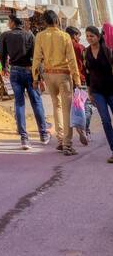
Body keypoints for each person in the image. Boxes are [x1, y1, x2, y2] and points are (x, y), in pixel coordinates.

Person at [32, 9, 81, 155]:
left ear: (45, 22)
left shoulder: (40, 36)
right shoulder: (64, 36)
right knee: (67, 110)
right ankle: (67, 144)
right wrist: (77, 79)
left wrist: (35, 78)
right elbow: (72, 59)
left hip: (49, 74)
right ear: (57, 21)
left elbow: (36, 59)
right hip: (63, 75)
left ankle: (60, 139)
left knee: (56, 106)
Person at [0, 10, 50, 150]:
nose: (8, 24)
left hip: (14, 71)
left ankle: (24, 138)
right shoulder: (29, 35)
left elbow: (2, 55)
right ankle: (43, 134)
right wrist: (39, 77)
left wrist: (4, 68)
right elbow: (37, 58)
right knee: (36, 101)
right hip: (29, 71)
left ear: (13, 23)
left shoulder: (5, 35)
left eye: (9, 21)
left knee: (19, 103)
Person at [83, 26, 113, 162]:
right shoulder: (86, 53)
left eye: (92, 36)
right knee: (105, 120)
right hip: (97, 91)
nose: (89, 38)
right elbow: (87, 74)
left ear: (98, 36)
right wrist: (89, 92)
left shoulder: (108, 51)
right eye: (87, 36)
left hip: (111, 89)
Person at [65, 25, 93, 142]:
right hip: (80, 80)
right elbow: (87, 65)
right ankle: (84, 128)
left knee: (72, 107)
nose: (79, 38)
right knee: (86, 108)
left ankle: (77, 127)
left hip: (66, 80)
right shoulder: (80, 47)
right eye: (78, 35)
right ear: (74, 36)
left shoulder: (63, 46)